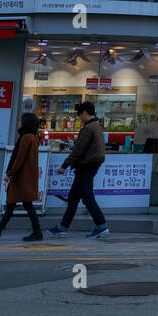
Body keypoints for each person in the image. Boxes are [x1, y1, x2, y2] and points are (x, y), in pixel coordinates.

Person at [46, 102, 108, 238]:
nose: (79, 118)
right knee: (73, 198)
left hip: (85, 167)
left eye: (80, 115)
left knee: (87, 198)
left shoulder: (88, 128)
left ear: (85, 113)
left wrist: (64, 165)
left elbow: (79, 150)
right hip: (90, 166)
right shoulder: (97, 127)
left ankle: (102, 226)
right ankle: (62, 227)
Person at [0, 113, 43, 242]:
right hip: (25, 177)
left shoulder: (26, 137)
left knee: (16, 204)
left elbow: (18, 158)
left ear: (25, 123)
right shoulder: (31, 136)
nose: (19, 123)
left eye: (21, 120)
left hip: (21, 177)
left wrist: (10, 173)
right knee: (20, 204)